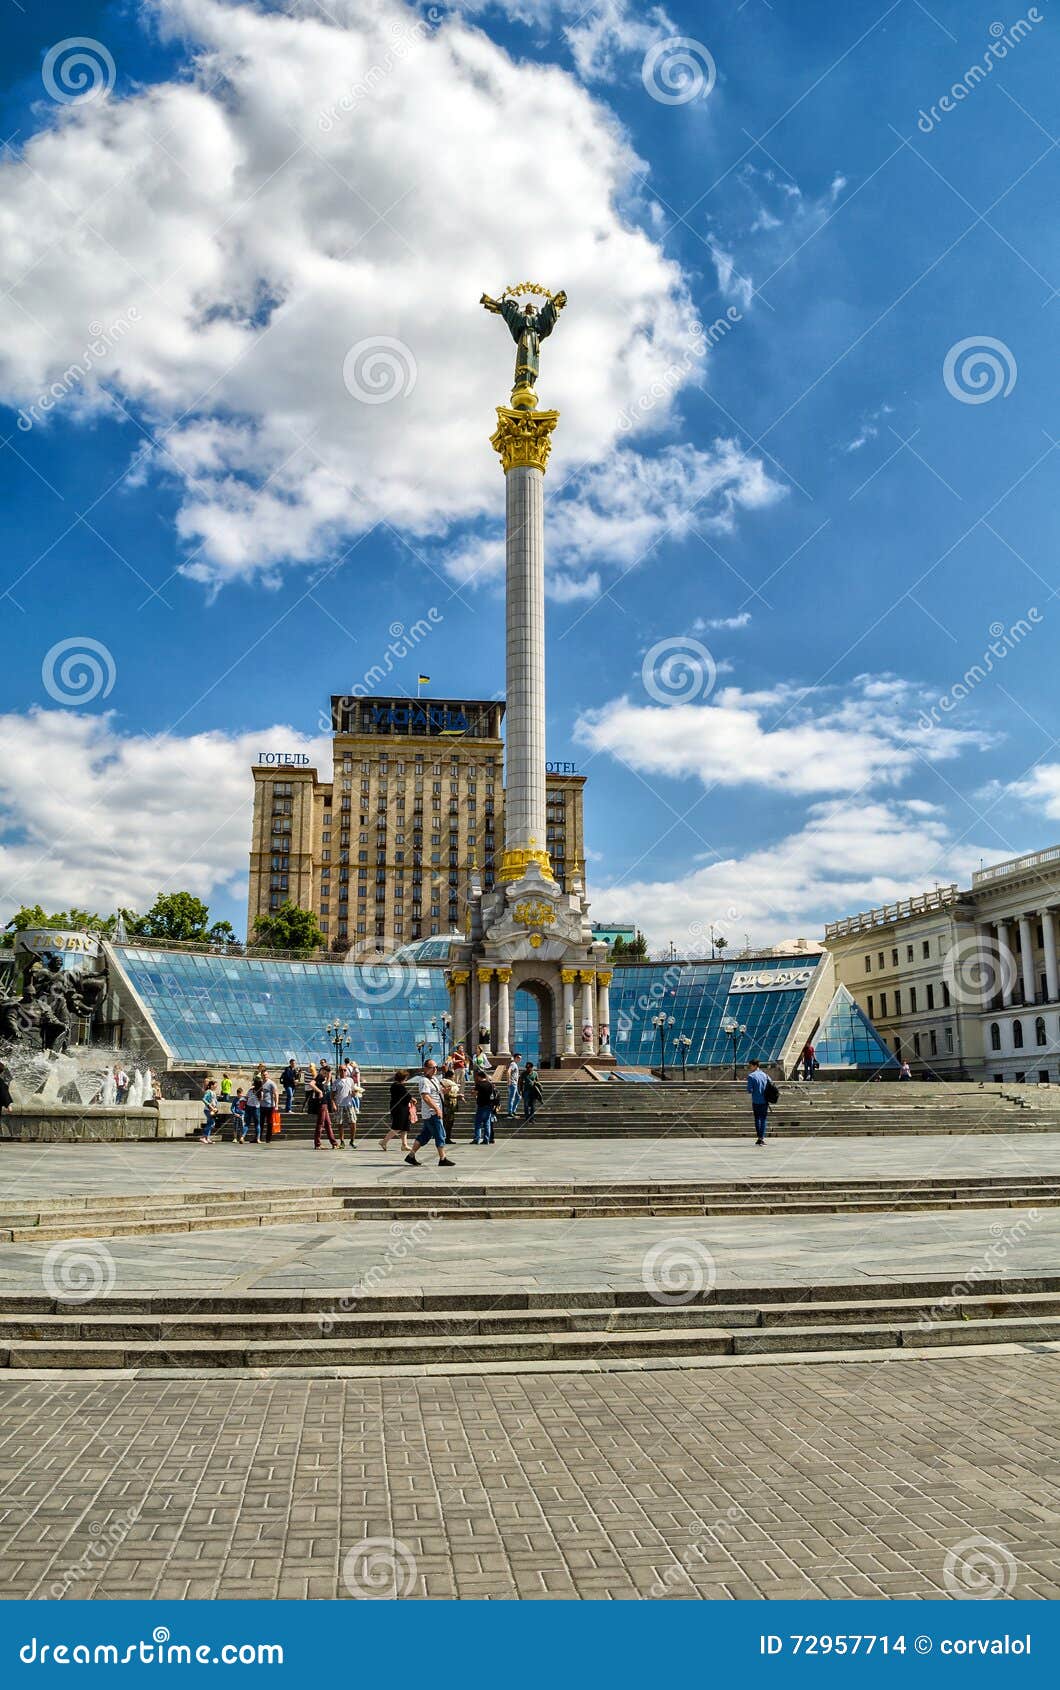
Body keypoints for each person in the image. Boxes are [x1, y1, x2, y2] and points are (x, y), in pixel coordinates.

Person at [406, 1058, 454, 1167]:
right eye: (432, 1067)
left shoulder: (434, 1079)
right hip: (432, 1113)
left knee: (425, 1136)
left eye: (436, 1067)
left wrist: (445, 1091)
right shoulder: (424, 1081)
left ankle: (411, 1156)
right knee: (440, 1134)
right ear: (426, 1068)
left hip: (433, 1112)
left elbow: (437, 1092)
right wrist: (437, 1109)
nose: (435, 1069)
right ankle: (442, 1158)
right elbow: (426, 1097)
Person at [381, 1070, 414, 1153]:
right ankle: (384, 1141)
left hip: (402, 1108)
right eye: (406, 1078)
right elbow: (407, 1096)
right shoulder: (399, 1086)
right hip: (399, 1109)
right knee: (398, 1126)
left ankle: (404, 1145)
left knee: (405, 1127)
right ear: (403, 1078)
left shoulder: (395, 1085)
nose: (407, 1079)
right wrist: (412, 1099)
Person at [308, 1066, 337, 1150]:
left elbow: (324, 1086)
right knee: (320, 1123)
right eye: (327, 1072)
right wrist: (319, 1091)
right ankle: (317, 1144)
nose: (327, 1074)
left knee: (328, 1124)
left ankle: (334, 1143)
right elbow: (311, 1084)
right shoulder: (319, 1076)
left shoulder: (322, 1078)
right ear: (323, 1071)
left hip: (324, 1103)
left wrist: (329, 1077)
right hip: (321, 1103)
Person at [746, 1059, 772, 1147]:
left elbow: (750, 1090)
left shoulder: (751, 1076)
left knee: (757, 1119)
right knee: (763, 1119)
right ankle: (761, 1138)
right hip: (765, 1100)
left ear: (755, 1065)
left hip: (756, 1100)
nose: (749, 1067)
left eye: (750, 1065)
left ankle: (759, 1138)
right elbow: (771, 1084)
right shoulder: (765, 1075)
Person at [332, 1065, 357, 1148]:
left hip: (349, 1104)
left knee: (353, 1122)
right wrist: (333, 1104)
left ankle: (352, 1140)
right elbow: (332, 1095)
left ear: (347, 1071)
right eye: (341, 1070)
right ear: (339, 1071)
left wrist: (354, 1093)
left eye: (344, 1070)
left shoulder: (350, 1080)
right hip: (340, 1104)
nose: (343, 1072)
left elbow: (353, 1093)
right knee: (340, 1123)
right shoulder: (336, 1082)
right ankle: (342, 1141)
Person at [473, 1067, 497, 1145]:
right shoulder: (490, 1084)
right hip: (489, 1105)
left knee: (478, 1123)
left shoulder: (479, 1084)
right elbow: (493, 1094)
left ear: (480, 1076)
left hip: (481, 1104)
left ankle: (477, 1138)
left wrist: (473, 1092)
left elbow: (474, 1093)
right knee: (487, 1123)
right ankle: (486, 1139)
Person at [259, 1069, 278, 1146]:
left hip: (270, 1106)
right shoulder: (260, 1083)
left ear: (268, 1075)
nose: (265, 1076)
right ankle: (258, 1137)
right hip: (261, 1105)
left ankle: (268, 1138)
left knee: (269, 1123)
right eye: (263, 1075)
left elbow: (276, 1094)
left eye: (266, 1075)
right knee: (261, 1122)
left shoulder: (271, 1083)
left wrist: (276, 1105)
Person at [441, 1072, 461, 1144]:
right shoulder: (444, 1083)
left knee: (450, 1123)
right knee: (447, 1123)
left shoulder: (451, 1084)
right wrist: (457, 1096)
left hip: (451, 1107)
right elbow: (446, 1095)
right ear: (449, 1077)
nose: (454, 1077)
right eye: (453, 1076)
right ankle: (444, 1138)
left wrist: (457, 1095)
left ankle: (447, 1138)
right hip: (447, 1106)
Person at [520, 1060, 542, 1124]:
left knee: (533, 1106)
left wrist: (534, 1082)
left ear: (532, 1067)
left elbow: (538, 1081)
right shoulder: (523, 1073)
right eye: (526, 1068)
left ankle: (532, 1118)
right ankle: (527, 1117)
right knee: (526, 1105)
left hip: (533, 1092)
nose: (527, 1069)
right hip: (526, 1091)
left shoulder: (535, 1073)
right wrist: (520, 1091)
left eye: (529, 1068)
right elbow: (520, 1083)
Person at [243, 1080, 262, 1145]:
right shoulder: (260, 1092)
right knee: (257, 1124)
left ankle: (242, 1137)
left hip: (248, 1107)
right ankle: (258, 1139)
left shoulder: (250, 1090)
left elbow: (246, 1097)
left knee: (247, 1123)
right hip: (256, 1108)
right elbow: (261, 1100)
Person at [201, 1078, 218, 1145]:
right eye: (215, 1085)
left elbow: (214, 1101)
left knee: (210, 1123)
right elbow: (204, 1099)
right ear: (211, 1085)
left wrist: (215, 1108)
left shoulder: (213, 1092)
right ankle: (203, 1137)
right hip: (208, 1110)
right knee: (212, 1123)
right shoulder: (208, 1092)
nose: (216, 1086)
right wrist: (210, 1106)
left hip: (212, 1110)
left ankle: (207, 1138)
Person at [506, 1052, 521, 1117]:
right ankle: (510, 1112)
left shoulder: (515, 1065)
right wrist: (509, 1080)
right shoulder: (513, 1064)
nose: (520, 1059)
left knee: (518, 1097)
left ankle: (513, 1111)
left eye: (520, 1058)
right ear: (515, 1058)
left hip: (515, 1084)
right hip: (512, 1084)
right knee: (512, 1098)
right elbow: (508, 1071)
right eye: (518, 1058)